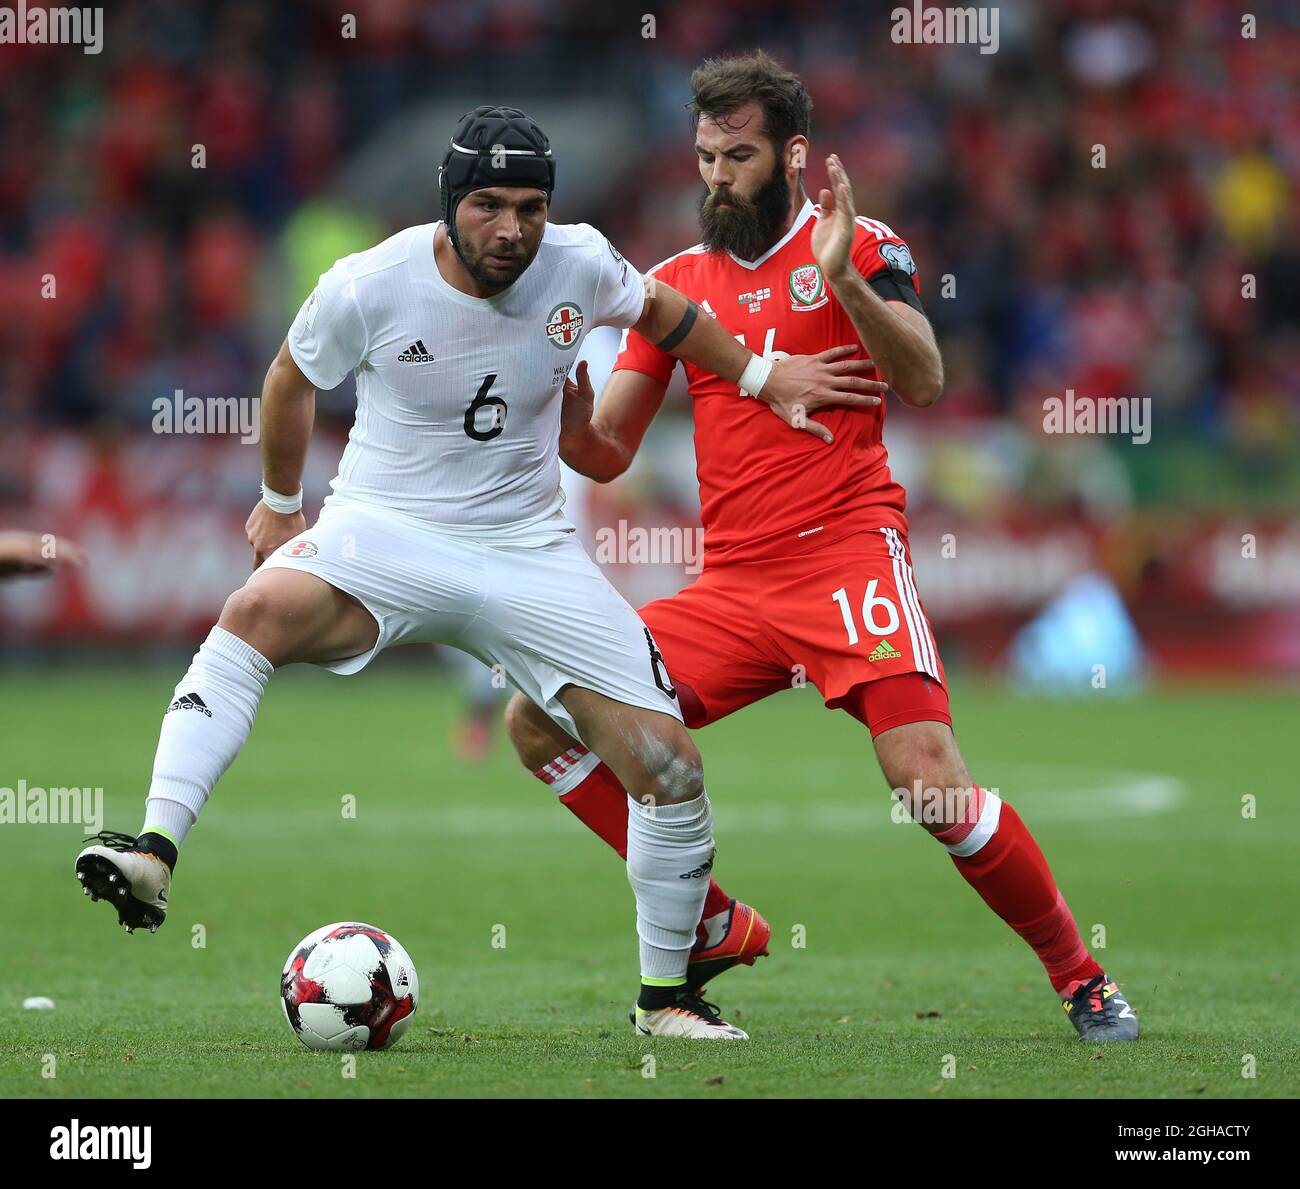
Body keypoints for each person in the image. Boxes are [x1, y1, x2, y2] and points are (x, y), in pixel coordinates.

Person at [73, 104, 880, 1041]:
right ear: (451, 204)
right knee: (255, 609)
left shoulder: (579, 259)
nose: (512, 230)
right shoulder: (368, 284)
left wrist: (760, 376)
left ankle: (666, 1003)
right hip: (389, 531)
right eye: (489, 206)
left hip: (528, 549)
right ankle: (154, 850)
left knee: (668, 764)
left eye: (530, 207)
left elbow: (666, 312)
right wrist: (281, 499)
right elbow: (292, 375)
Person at [504, 55, 1138, 1042]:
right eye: (706, 155)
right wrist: (566, 415)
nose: (716, 175)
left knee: (928, 780)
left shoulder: (861, 244)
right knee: (536, 719)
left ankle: (1081, 974)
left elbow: (923, 379)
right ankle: (707, 917)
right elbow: (608, 447)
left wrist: (842, 277)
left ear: (792, 154)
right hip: (733, 588)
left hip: (847, 561)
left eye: (740, 155)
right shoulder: (673, 284)